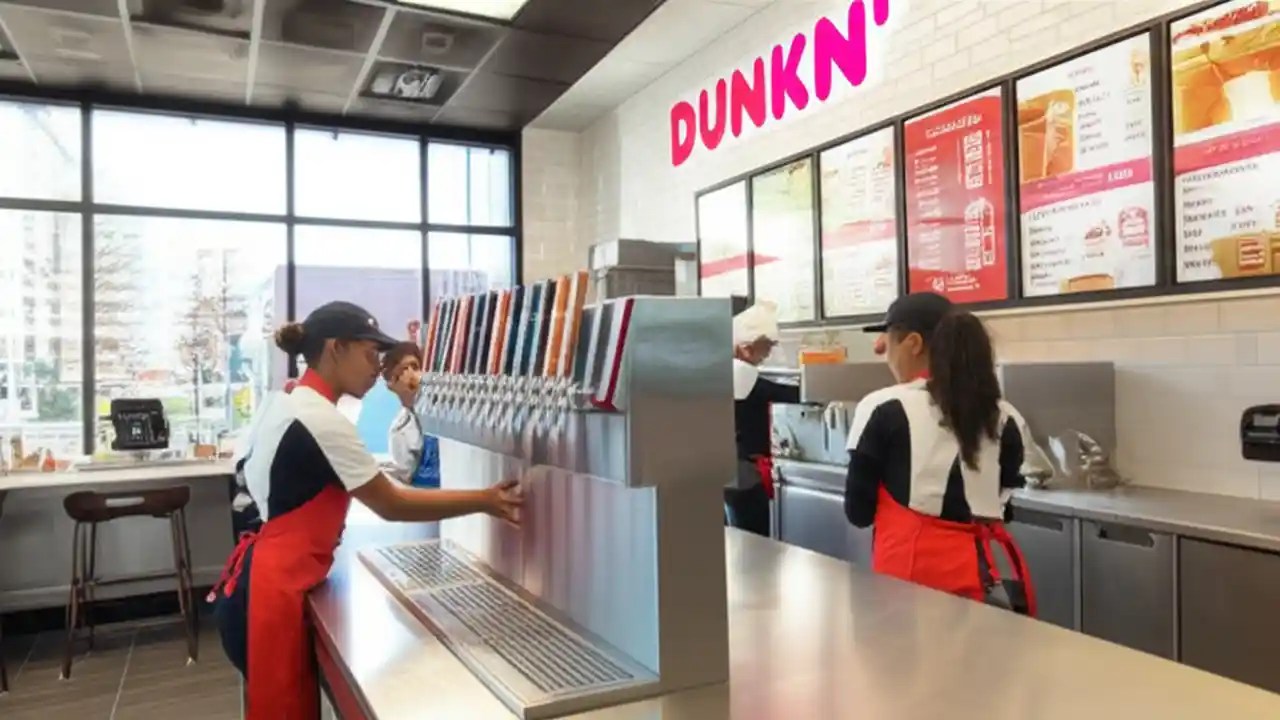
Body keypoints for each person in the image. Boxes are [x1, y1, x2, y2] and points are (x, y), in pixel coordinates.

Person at [209, 301, 523, 720]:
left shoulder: (287, 401)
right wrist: (486, 500)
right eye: (371, 353)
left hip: (255, 582)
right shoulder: (321, 419)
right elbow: (391, 503)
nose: (379, 366)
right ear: (336, 348)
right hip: (271, 593)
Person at [844, 292, 1036, 615]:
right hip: (983, 578)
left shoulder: (884, 407)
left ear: (914, 343)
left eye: (888, 341)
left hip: (907, 585)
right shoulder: (1006, 415)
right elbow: (1006, 504)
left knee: (907, 665)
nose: (884, 351)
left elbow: (858, 513)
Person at [727, 301, 799, 536]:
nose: (767, 355)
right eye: (765, 348)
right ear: (746, 347)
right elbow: (786, 394)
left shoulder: (722, 369)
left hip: (725, 470)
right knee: (753, 536)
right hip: (742, 472)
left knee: (736, 535)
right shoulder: (740, 372)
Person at [382, 340, 440, 487]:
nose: (411, 375)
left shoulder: (446, 410)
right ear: (391, 384)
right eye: (402, 371)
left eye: (415, 367)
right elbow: (406, 477)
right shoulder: (399, 430)